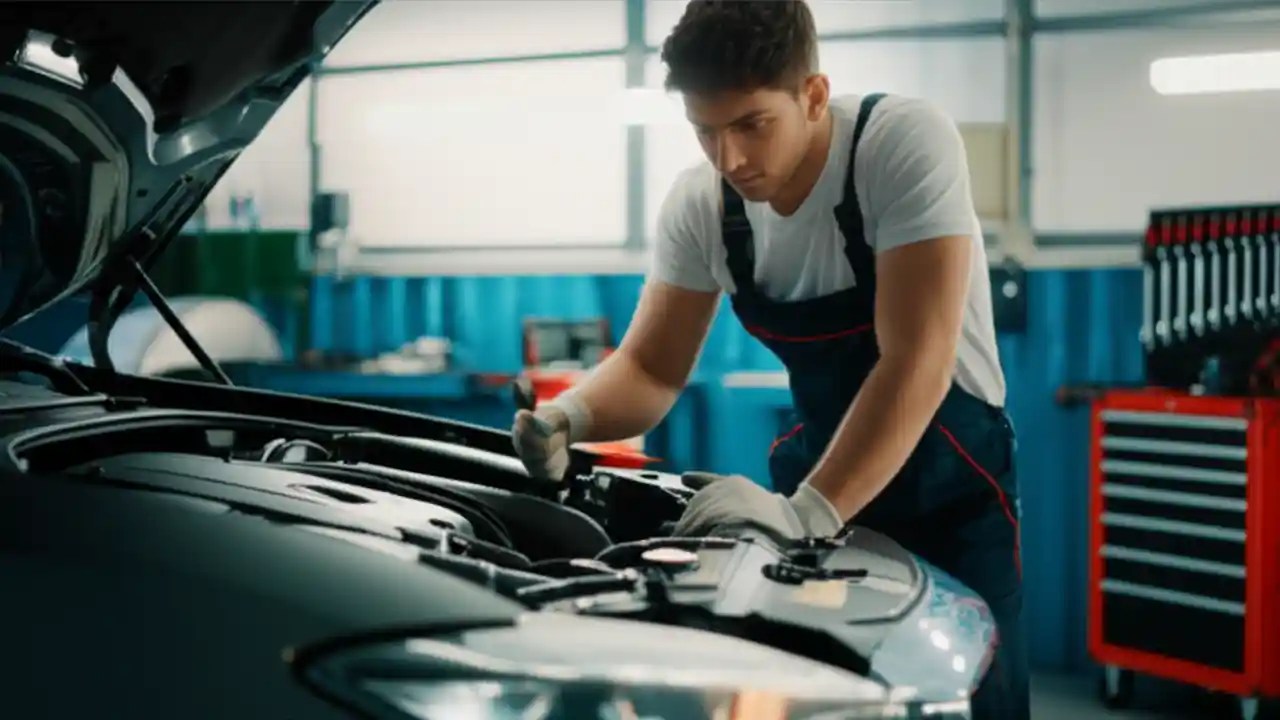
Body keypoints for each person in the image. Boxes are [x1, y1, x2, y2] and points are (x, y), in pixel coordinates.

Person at [511, 1, 1027, 717]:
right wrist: (568, 417)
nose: (729, 160)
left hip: (951, 491)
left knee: (969, 700)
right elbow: (652, 369)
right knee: (813, 699)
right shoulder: (702, 205)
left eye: (752, 124)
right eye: (705, 131)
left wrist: (808, 512)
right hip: (817, 481)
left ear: (813, 95)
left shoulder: (899, 144)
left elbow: (917, 359)